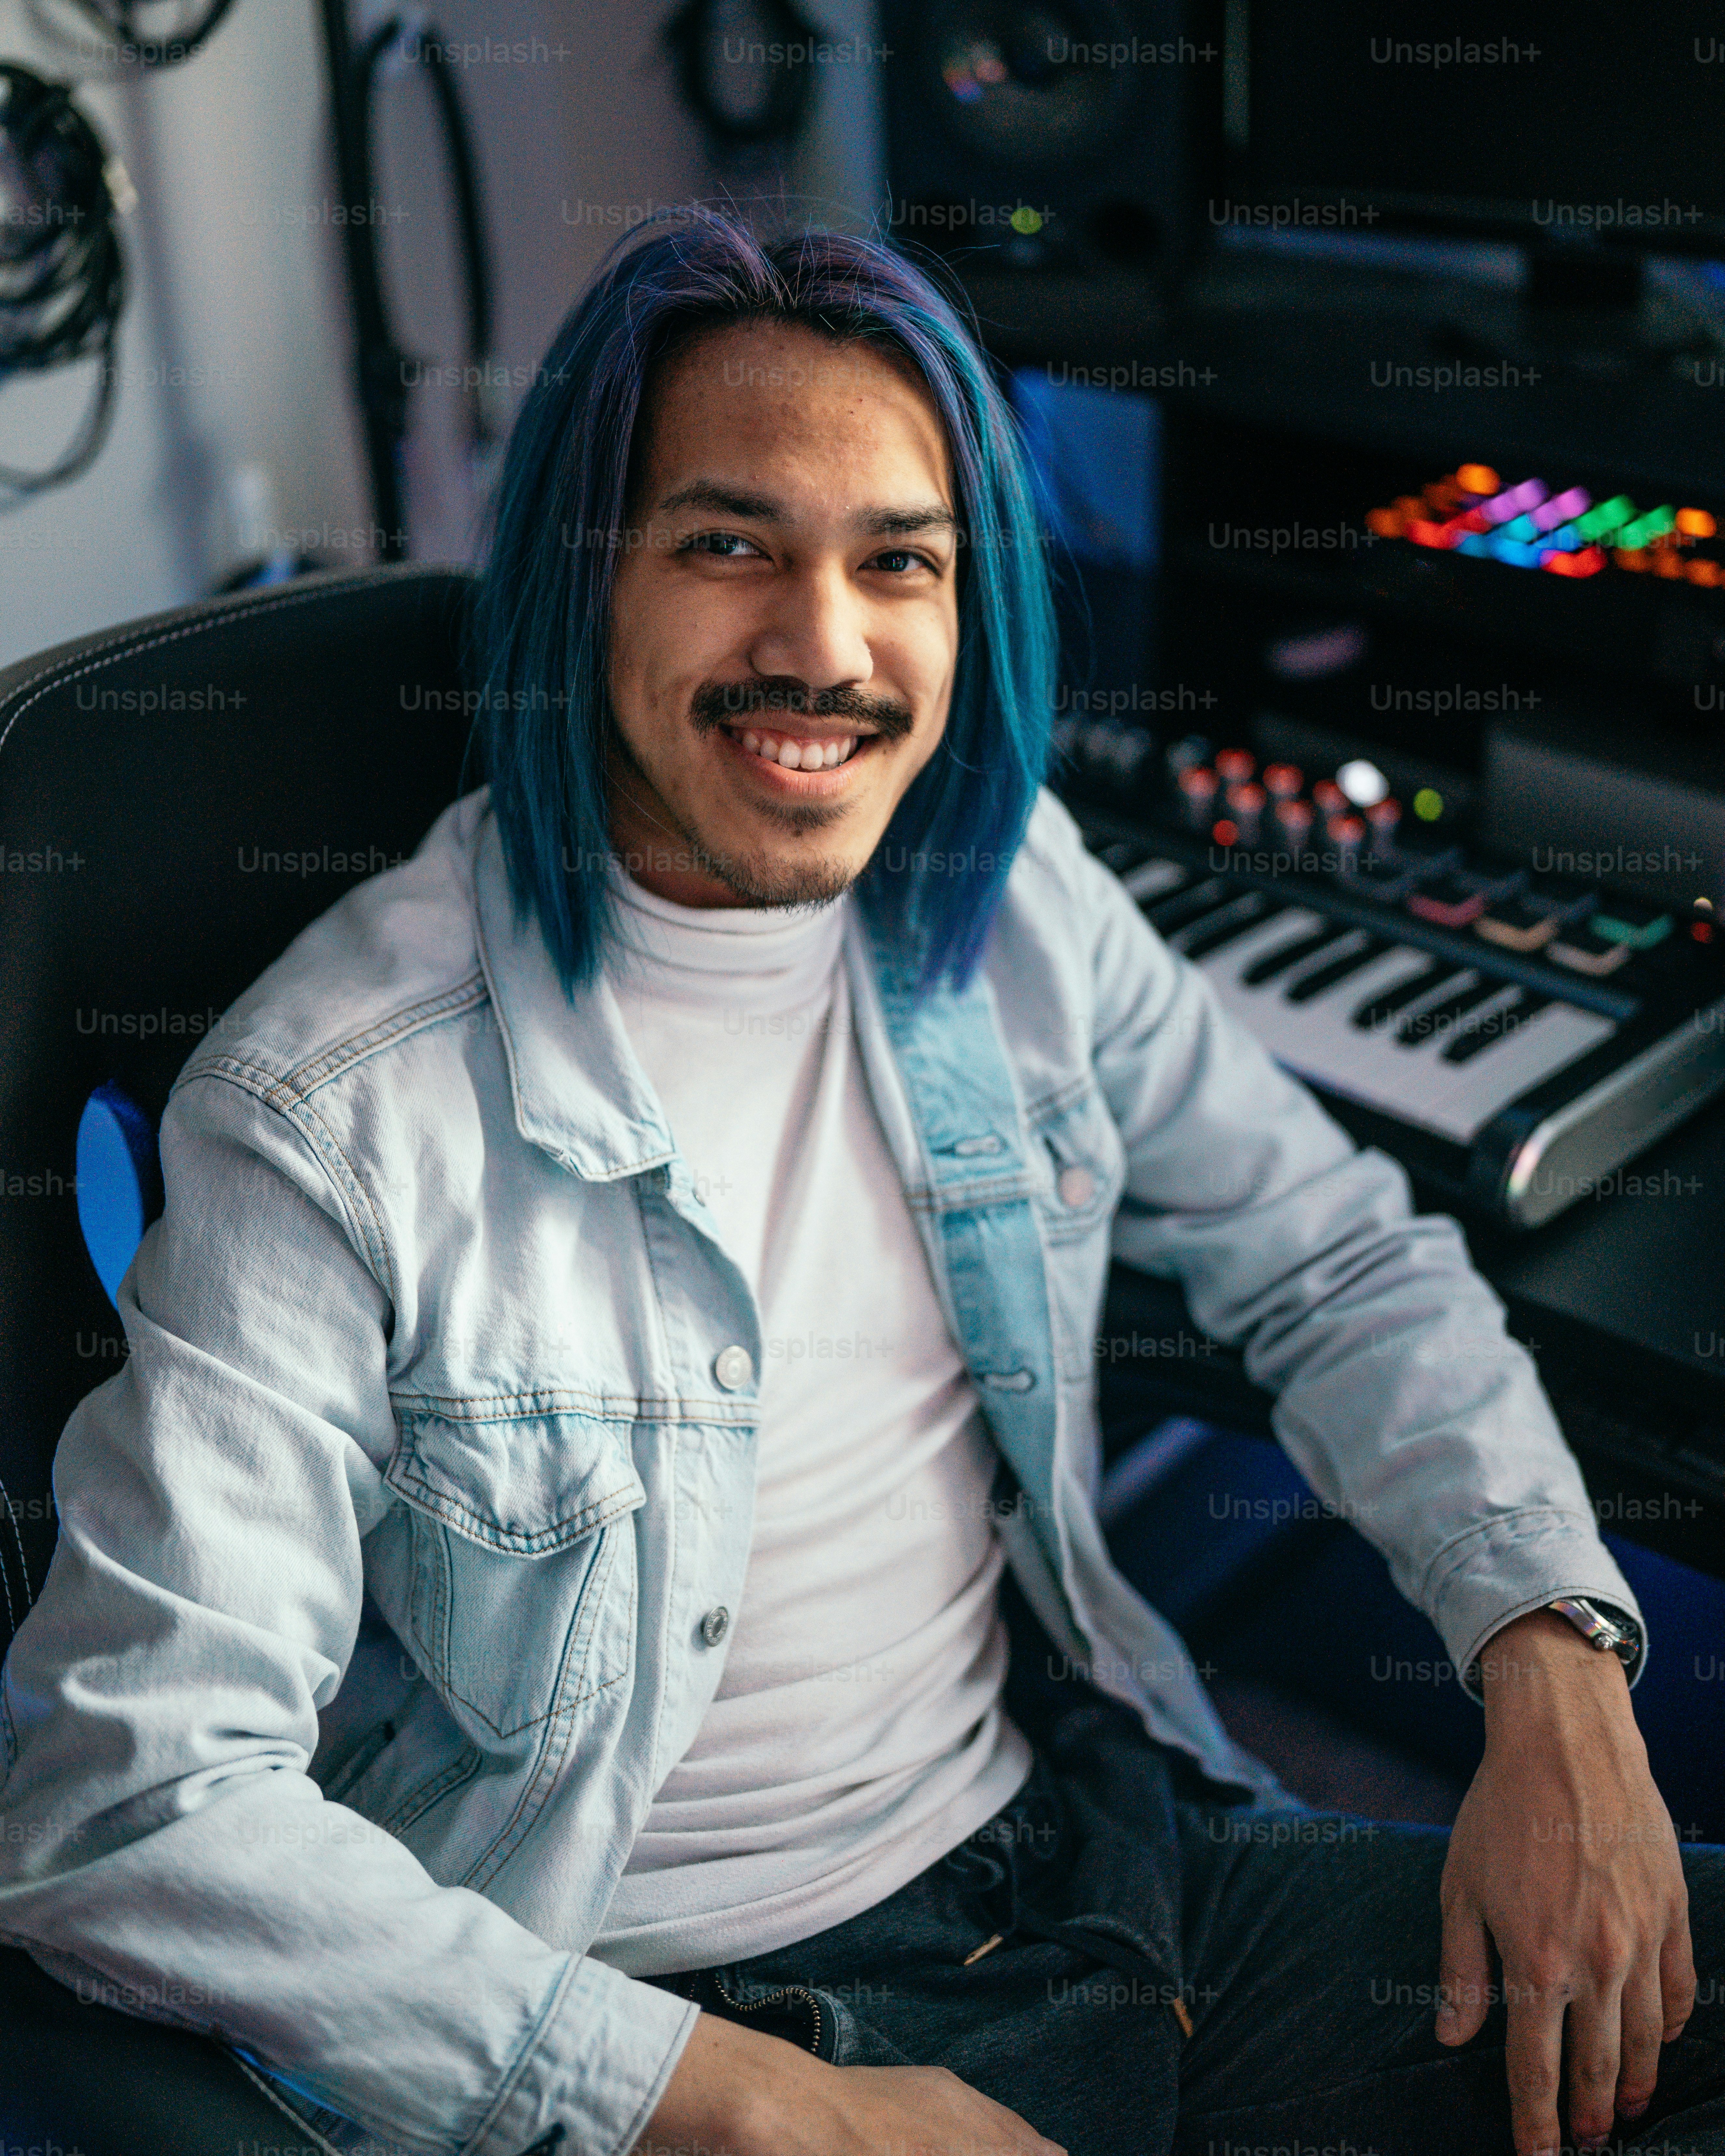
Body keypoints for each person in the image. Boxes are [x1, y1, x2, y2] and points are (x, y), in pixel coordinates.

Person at [1, 212, 1720, 2156]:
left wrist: (1550, 1657)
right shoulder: (332, 1111)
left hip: (1093, 1863)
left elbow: (1333, 1258)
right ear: (587, 586)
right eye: (730, 545)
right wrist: (737, 2105)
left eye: (896, 560)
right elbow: (128, 1801)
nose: (822, 646)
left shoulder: (1006, 904)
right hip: (657, 2014)